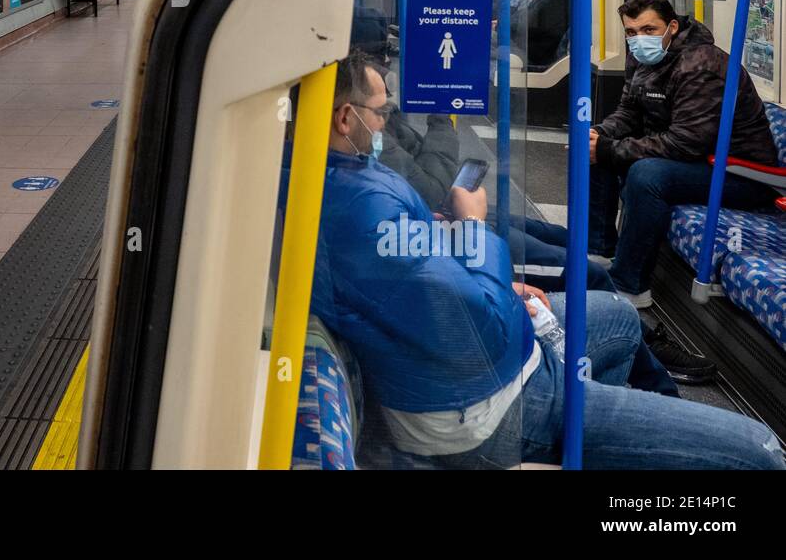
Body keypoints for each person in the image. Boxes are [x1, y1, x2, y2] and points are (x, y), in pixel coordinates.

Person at [279, 49, 783, 469]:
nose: (386, 120)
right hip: (482, 408)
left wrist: (488, 276)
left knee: (619, 315)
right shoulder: (361, 206)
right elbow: (480, 320)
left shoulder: (340, 177)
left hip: (481, 366)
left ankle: (626, 431)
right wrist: (473, 225)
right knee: (760, 452)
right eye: (380, 111)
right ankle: (600, 428)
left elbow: (422, 282)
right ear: (345, 117)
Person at [371, 67, 703, 388]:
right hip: (449, 230)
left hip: (451, 215)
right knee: (589, 273)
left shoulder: (382, 118)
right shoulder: (373, 135)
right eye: (379, 104)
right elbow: (430, 187)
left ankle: (637, 341)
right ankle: (649, 363)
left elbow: (424, 174)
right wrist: (441, 115)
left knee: (564, 239)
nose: (387, 104)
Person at [590, 0, 781, 306]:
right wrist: (600, 134)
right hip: (699, 162)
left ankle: (629, 286)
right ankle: (599, 253)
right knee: (595, 148)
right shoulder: (643, 57)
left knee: (645, 174)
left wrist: (613, 149)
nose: (638, 39)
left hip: (741, 174)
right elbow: (628, 113)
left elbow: (686, 141)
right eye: (631, 32)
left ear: (673, 27)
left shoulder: (702, 64)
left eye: (649, 30)